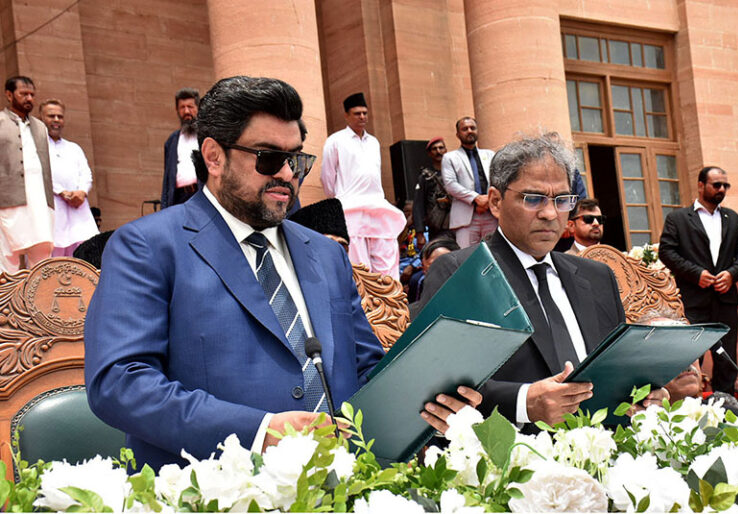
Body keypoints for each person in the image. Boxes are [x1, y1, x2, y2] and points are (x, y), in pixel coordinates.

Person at [85, 76, 479, 471]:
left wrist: (429, 398)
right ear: (214, 156)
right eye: (269, 158)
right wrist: (259, 432)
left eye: (297, 159)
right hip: (219, 489)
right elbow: (120, 383)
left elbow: (365, 370)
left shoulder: (325, 254)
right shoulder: (148, 246)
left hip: (348, 485)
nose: (289, 174)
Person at [420, 133, 668, 428]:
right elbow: (436, 387)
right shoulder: (460, 272)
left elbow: (616, 370)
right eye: (533, 198)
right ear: (496, 201)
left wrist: (644, 394)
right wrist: (524, 402)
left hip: (608, 452)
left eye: (562, 200)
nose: (550, 213)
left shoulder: (597, 276)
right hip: (514, 459)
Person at [659, 166, 738, 395]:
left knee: (727, 359)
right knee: (691, 357)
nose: (721, 189)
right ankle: (690, 407)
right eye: (716, 184)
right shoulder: (678, 219)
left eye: (725, 185)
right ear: (701, 186)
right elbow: (667, 252)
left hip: (725, 300)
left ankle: (726, 405)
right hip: (693, 301)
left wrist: (732, 274)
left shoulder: (732, 218)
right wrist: (695, 274)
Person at [321, 92, 406, 279]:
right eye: (357, 113)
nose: (362, 117)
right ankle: (366, 308)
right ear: (346, 115)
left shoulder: (373, 142)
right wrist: (340, 201)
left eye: (365, 113)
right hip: (351, 210)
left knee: (387, 267)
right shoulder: (335, 141)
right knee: (359, 269)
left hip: (378, 208)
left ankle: (391, 307)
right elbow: (327, 177)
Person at [0, 76, 54, 273]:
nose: (29, 98)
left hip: (39, 198)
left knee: (42, 249)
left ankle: (38, 299)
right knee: (6, 252)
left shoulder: (40, 127)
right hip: (7, 199)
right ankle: (5, 301)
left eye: (32, 94)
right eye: (23, 94)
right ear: (9, 95)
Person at [39, 99, 99, 257]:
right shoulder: (37, 147)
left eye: (60, 116)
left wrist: (82, 192)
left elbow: (86, 174)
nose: (56, 120)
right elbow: (39, 173)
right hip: (53, 208)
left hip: (78, 209)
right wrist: (62, 192)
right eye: (51, 116)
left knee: (83, 256)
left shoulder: (74, 148)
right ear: (41, 118)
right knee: (54, 258)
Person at [441, 117, 496, 248]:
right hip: (466, 217)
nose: (469, 131)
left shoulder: (490, 155)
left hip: (491, 213)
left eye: (472, 128)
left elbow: (499, 179)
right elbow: (450, 184)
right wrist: (476, 198)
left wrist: (487, 200)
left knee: (495, 255)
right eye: (465, 129)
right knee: (467, 257)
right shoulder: (450, 157)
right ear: (458, 134)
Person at [161, 88, 200, 209]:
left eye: (190, 106)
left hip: (201, 194)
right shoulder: (172, 141)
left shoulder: (207, 136)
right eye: (182, 107)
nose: (186, 111)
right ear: (177, 110)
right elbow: (167, 177)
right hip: (178, 198)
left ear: (198, 108)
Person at [412, 137, 452, 246]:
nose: (438, 151)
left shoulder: (455, 172)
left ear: (446, 150)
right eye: (434, 149)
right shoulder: (425, 177)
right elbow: (418, 205)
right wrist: (420, 233)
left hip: (457, 225)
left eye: (441, 148)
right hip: (437, 228)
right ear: (429, 153)